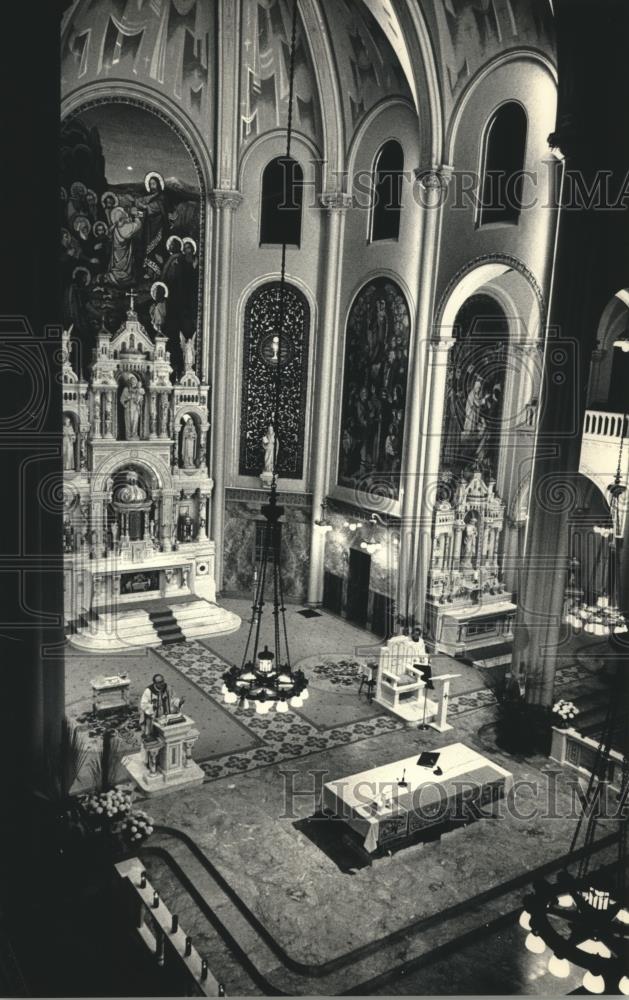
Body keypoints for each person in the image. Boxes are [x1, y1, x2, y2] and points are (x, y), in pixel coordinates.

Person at [105, 205, 143, 288]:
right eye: (124, 215)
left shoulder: (116, 228)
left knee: (117, 265)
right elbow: (138, 225)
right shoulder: (125, 228)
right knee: (123, 268)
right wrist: (136, 216)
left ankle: (116, 276)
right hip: (124, 253)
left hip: (116, 252)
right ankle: (122, 278)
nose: (126, 216)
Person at [139, 673, 182, 738]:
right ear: (155, 683)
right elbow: (143, 704)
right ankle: (150, 734)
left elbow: (173, 698)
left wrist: (179, 702)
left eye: (162, 681)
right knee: (149, 719)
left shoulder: (167, 688)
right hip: (154, 715)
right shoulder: (148, 691)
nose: (162, 684)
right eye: (159, 682)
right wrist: (152, 706)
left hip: (167, 713)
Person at [120, 374, 145, 440]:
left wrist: (139, 399)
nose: (133, 382)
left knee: (135, 421)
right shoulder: (126, 389)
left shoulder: (139, 390)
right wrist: (128, 399)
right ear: (129, 381)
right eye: (132, 381)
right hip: (128, 408)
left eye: (134, 381)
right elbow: (122, 399)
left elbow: (141, 400)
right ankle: (128, 435)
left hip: (136, 408)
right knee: (128, 422)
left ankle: (134, 434)